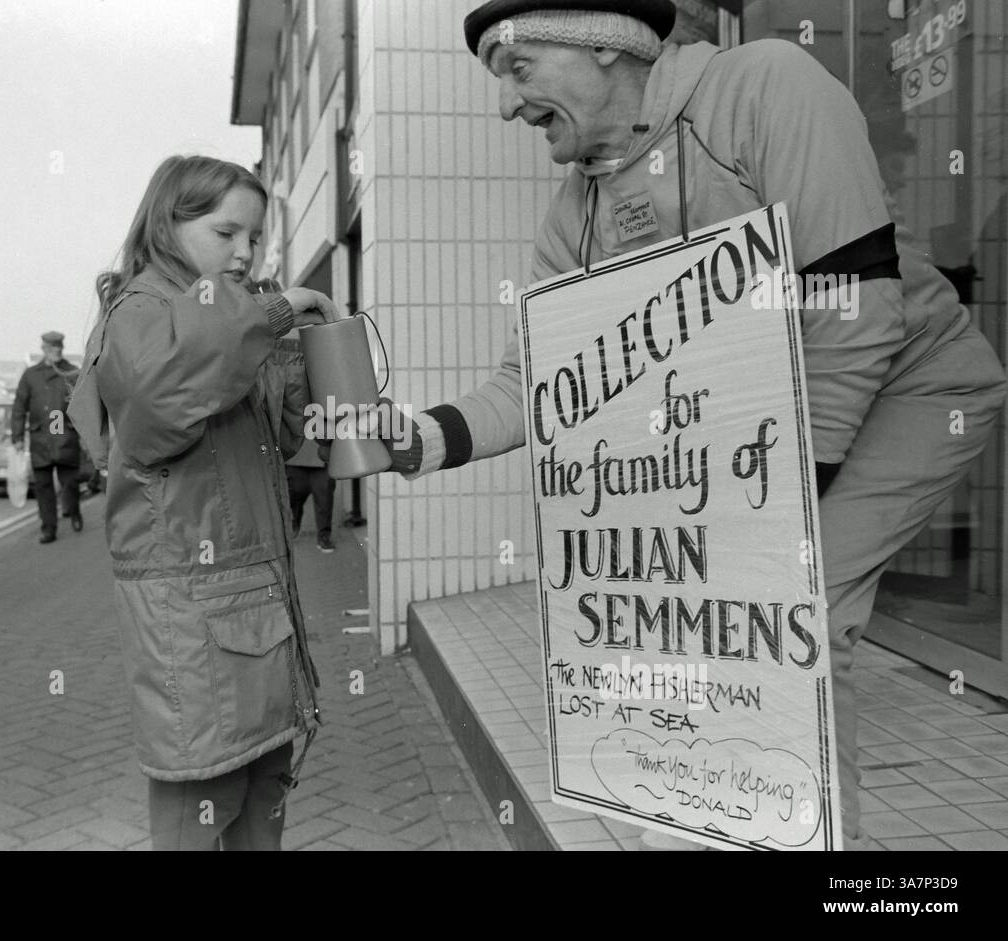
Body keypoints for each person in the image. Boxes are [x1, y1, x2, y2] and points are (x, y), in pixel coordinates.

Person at [368, 0, 1007, 851]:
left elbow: (850, 307)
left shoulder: (766, 85)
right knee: (708, 632)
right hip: (757, 437)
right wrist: (428, 434)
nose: (506, 105)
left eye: (517, 70)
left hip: (909, 386)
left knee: (795, 616)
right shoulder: (578, 210)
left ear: (603, 45)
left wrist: (772, 515)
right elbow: (543, 376)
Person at [68, 154, 341, 850]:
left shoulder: (224, 317)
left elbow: (290, 435)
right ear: (169, 223)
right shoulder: (143, 310)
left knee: (260, 793)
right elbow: (158, 407)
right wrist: (272, 312)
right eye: (226, 234)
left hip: (253, 605)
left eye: (254, 237)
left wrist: (303, 353)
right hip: (195, 618)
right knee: (202, 798)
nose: (246, 253)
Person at [11, 331, 82, 543]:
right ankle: (48, 528)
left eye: (59, 347)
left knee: (69, 482)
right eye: (52, 348)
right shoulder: (31, 375)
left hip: (63, 435)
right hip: (40, 438)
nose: (56, 351)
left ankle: (74, 509)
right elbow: (18, 407)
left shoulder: (72, 373)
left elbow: (83, 406)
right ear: (44, 349)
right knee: (43, 488)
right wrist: (17, 437)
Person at [286, 437, 336, 553]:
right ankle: (292, 526)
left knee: (325, 501)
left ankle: (324, 536)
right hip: (295, 456)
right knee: (293, 498)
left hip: (322, 455)